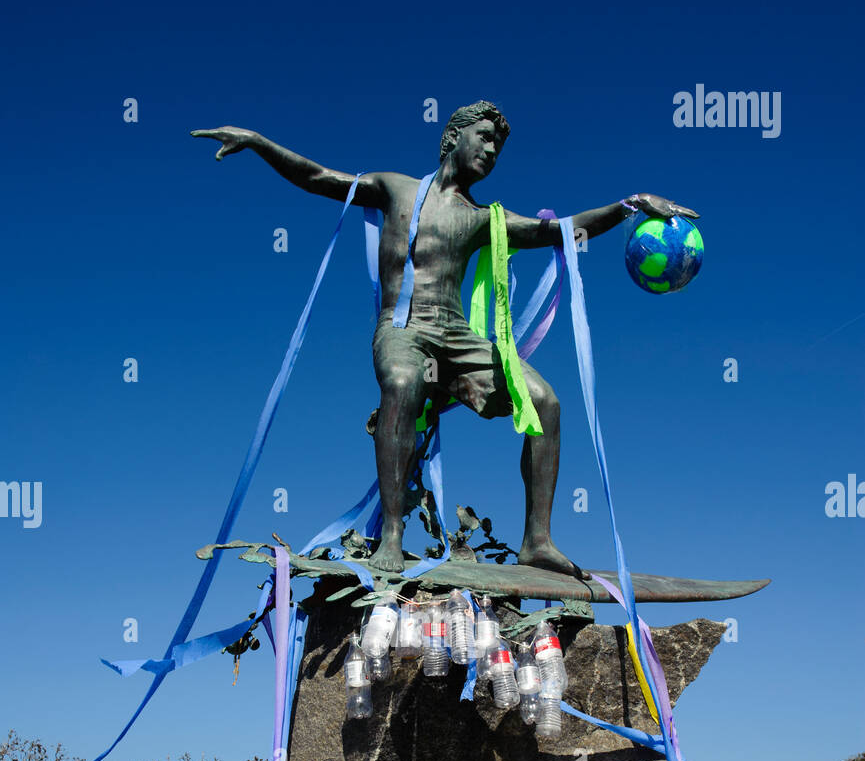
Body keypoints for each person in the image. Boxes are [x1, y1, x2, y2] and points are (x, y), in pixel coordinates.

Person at [193, 102, 697, 576]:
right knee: (402, 381)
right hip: (404, 327)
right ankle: (391, 533)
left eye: (499, 146)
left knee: (544, 401)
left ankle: (537, 541)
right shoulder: (396, 189)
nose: (492, 152)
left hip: (457, 335)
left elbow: (558, 231)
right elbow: (321, 178)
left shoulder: (483, 219)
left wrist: (629, 205)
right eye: (484, 138)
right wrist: (258, 141)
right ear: (453, 137)